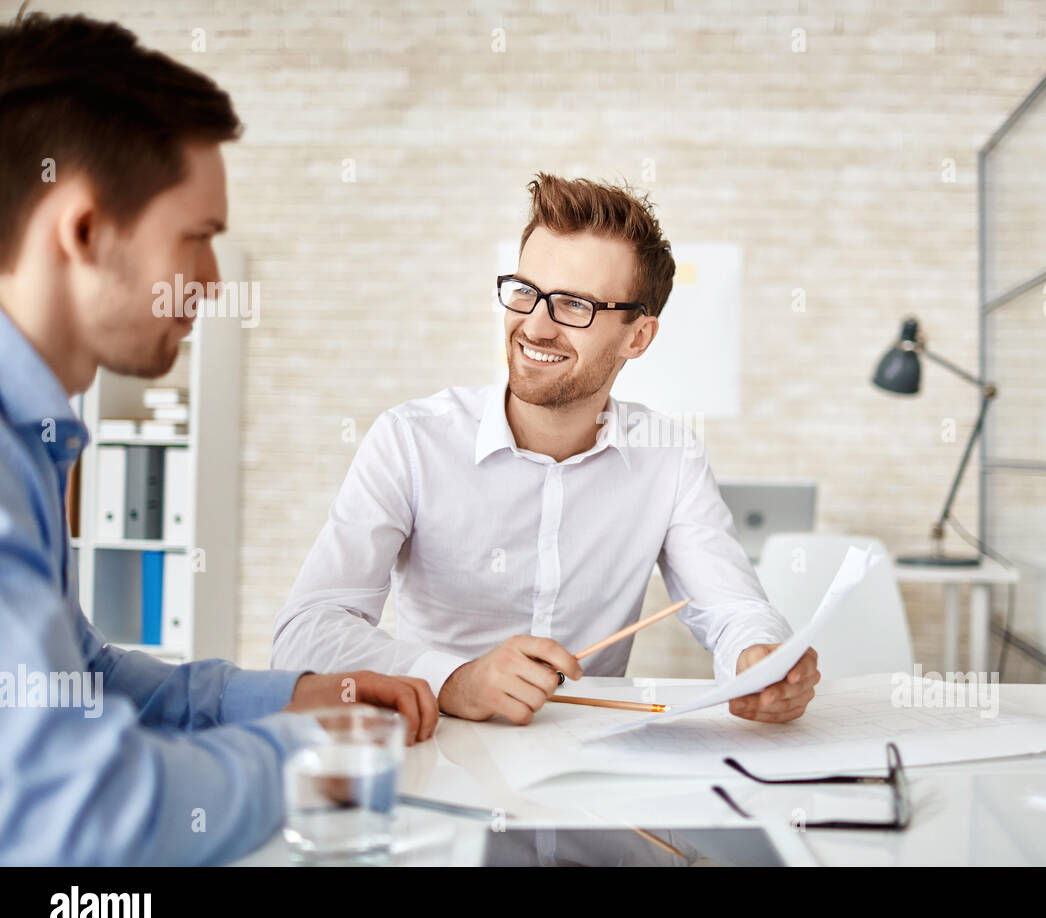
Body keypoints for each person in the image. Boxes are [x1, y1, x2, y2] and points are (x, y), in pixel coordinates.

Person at [0, 11, 437, 866]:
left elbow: (81, 675)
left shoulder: (34, 439)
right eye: (197, 239)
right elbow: (80, 817)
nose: (210, 282)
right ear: (82, 230)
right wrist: (313, 755)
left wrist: (293, 698)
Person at [272, 173, 820, 726]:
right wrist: (453, 681)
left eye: (575, 305)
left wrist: (759, 656)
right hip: (440, 757)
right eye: (526, 292)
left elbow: (731, 608)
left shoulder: (670, 458)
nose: (535, 326)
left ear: (638, 337)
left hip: (590, 770)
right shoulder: (411, 441)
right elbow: (306, 633)